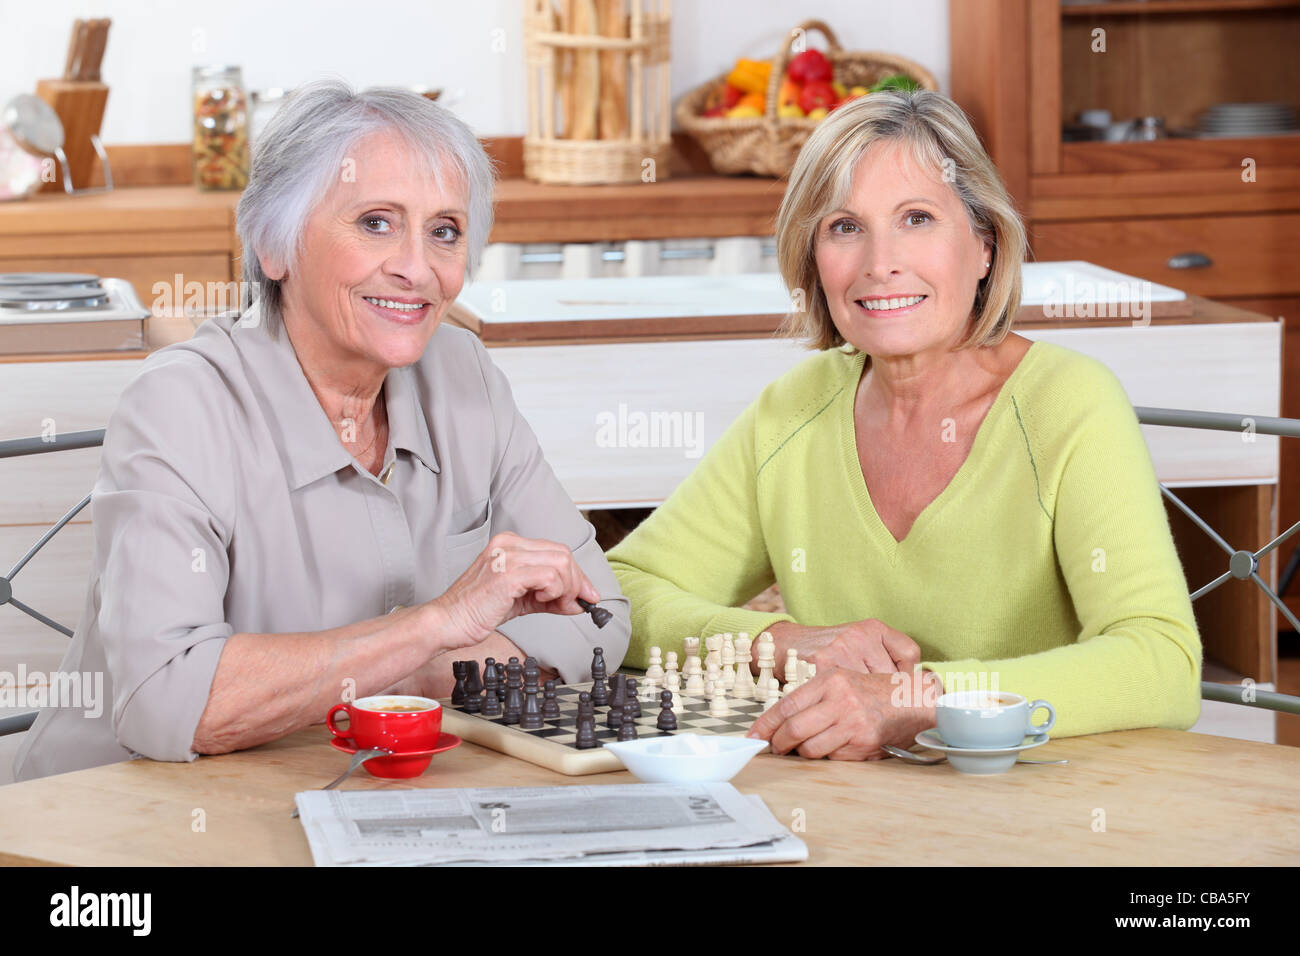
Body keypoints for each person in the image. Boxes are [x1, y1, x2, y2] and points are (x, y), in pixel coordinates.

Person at [15, 80, 629, 781]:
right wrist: (438, 624)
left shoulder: (465, 375)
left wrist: (413, 675)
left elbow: (596, 616)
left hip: (347, 794)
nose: (417, 267)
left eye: (444, 231)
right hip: (115, 823)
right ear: (272, 246)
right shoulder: (180, 404)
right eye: (375, 222)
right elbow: (167, 702)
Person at [606, 90, 1200, 759]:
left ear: (984, 245)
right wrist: (773, 642)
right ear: (813, 260)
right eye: (844, 227)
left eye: (916, 218)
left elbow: (1162, 664)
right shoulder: (792, 411)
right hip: (847, 809)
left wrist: (916, 702)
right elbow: (615, 598)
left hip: (1039, 809)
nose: (878, 263)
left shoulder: (1072, 403)